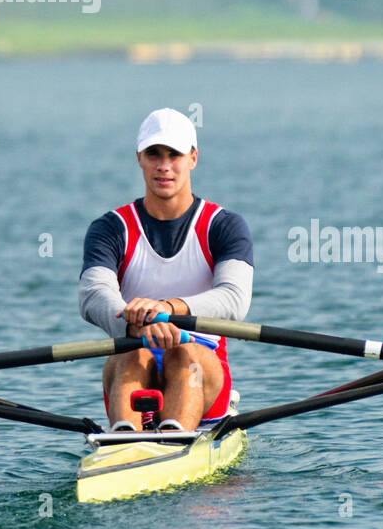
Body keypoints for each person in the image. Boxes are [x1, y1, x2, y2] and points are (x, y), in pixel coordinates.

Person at [79, 108, 254, 432]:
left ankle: (174, 439)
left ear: (193, 157)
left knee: (182, 352)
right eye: (153, 154)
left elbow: (234, 300)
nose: (164, 165)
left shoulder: (224, 226)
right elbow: (93, 296)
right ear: (139, 158)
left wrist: (166, 310)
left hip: (202, 369)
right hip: (133, 353)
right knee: (132, 354)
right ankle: (125, 448)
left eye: (174, 154)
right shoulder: (110, 228)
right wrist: (133, 326)